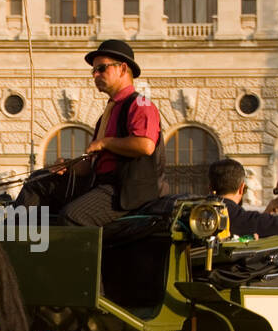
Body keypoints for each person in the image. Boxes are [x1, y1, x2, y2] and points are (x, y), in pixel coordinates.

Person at [14, 39, 168, 226]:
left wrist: (105, 142)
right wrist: (70, 166)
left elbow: (145, 145)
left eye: (101, 69)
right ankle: (12, 242)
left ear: (122, 68)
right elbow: (94, 163)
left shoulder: (140, 104)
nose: (95, 75)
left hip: (126, 191)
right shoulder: (107, 114)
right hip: (99, 184)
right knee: (38, 181)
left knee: (73, 216)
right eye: (93, 71)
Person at [207, 159, 278, 239]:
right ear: (241, 188)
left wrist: (267, 212)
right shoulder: (243, 219)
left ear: (210, 187)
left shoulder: (195, 213)